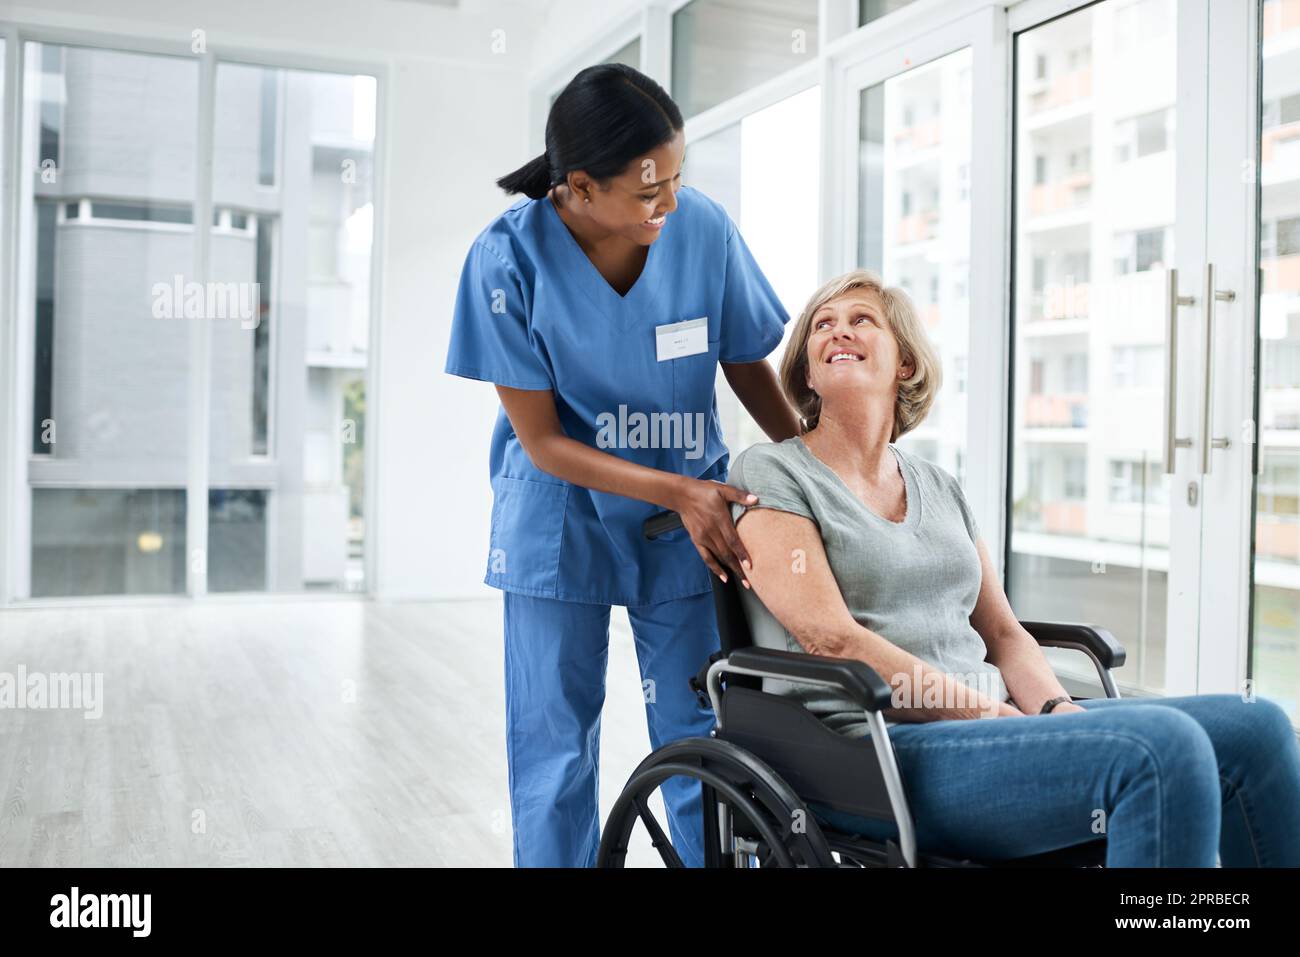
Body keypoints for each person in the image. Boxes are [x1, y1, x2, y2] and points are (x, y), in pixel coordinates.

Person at [726, 267, 1300, 866]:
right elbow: (829, 638)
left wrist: (1055, 713)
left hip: (992, 727)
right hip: (873, 748)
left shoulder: (939, 486)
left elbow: (1001, 633)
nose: (838, 331)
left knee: (1255, 727)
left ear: (905, 365)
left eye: (861, 320)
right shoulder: (773, 472)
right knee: (1162, 751)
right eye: (823, 325)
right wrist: (991, 714)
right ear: (808, 370)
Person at [444, 63, 801, 867]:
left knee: (699, 732)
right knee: (554, 750)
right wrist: (680, 489)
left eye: (676, 179)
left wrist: (813, 469)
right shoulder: (506, 262)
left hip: (685, 525)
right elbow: (542, 441)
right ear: (579, 187)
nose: (668, 204)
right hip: (559, 517)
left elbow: (746, 359)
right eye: (648, 192)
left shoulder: (701, 228)